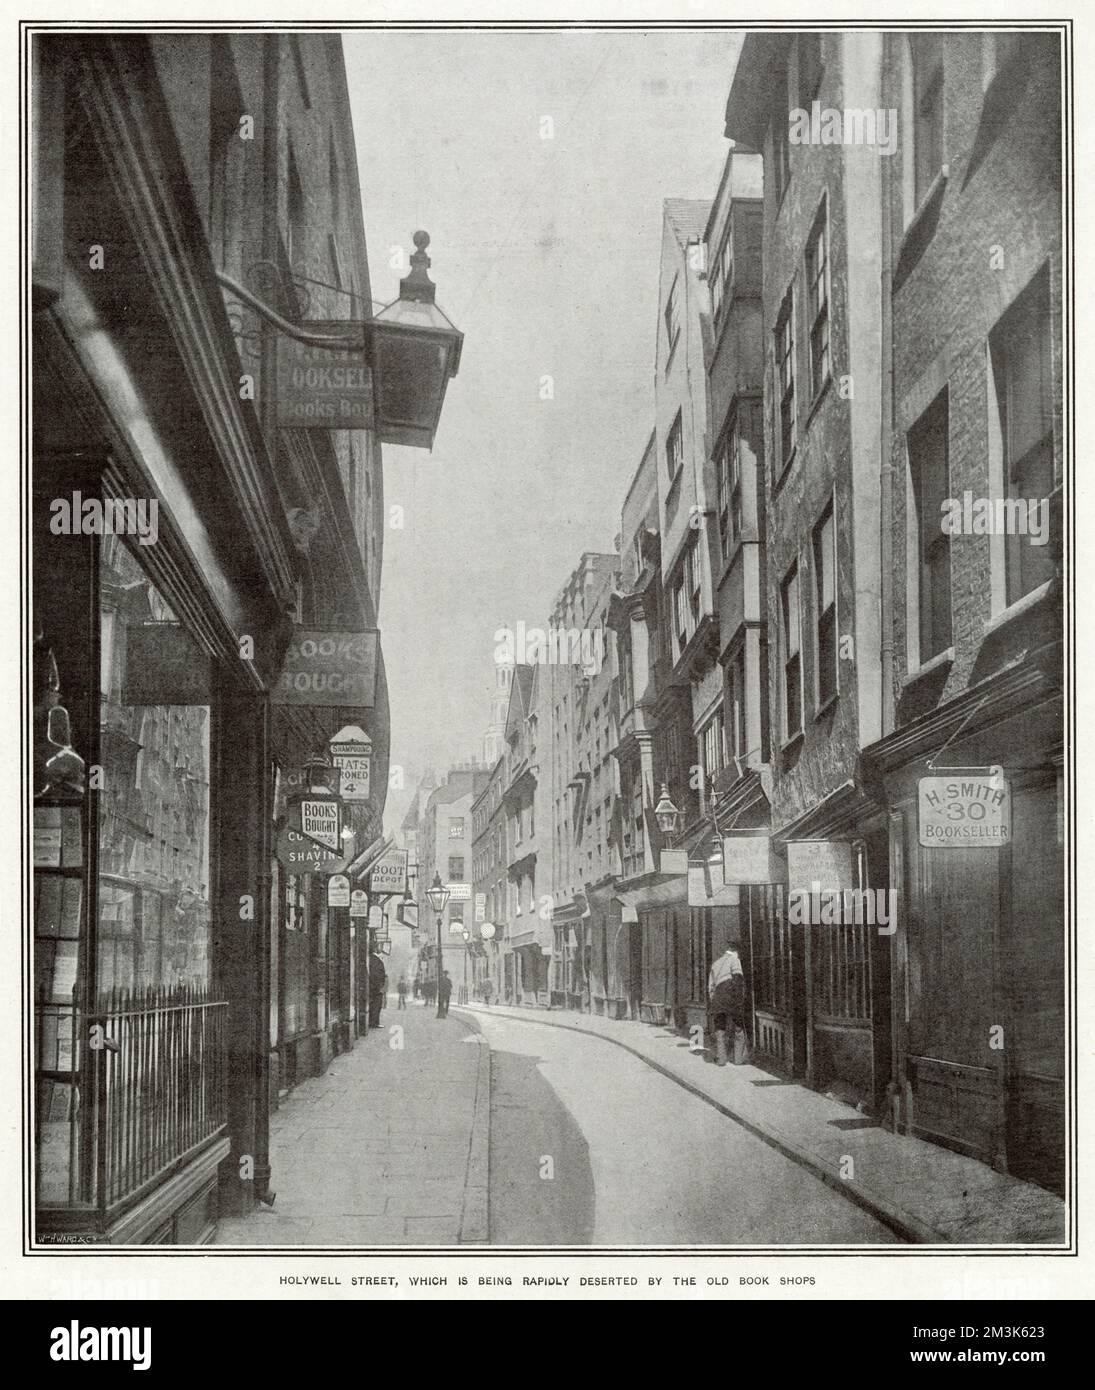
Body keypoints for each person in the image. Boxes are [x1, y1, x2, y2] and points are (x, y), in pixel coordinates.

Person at [707, 939, 748, 1066]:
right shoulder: (735, 960)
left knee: (720, 1030)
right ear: (737, 951)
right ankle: (738, 1059)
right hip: (731, 999)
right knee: (738, 1028)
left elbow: (710, 988)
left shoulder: (715, 963)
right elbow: (738, 980)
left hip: (717, 1000)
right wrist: (740, 1000)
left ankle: (721, 1060)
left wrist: (715, 1000)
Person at [367, 949, 387, 1030]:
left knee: (373, 1005)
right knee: (376, 1005)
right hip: (376, 988)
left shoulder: (371, 959)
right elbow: (378, 975)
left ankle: (372, 1022)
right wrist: (379, 987)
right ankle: (374, 1023)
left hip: (372, 987)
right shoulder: (377, 960)